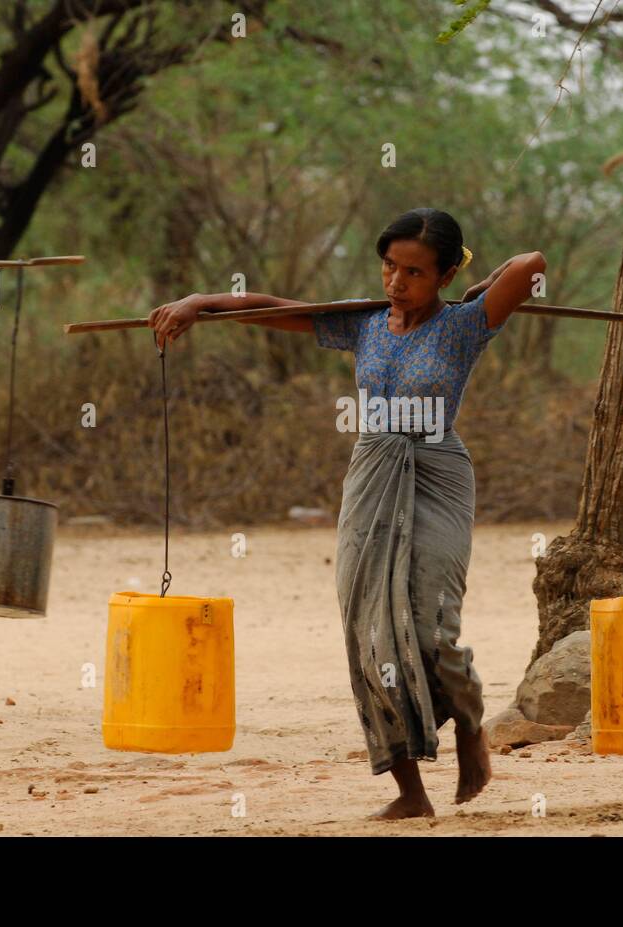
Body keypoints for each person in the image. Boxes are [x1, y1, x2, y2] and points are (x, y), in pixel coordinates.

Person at [149, 207, 546, 818]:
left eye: (415, 271)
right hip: (371, 477)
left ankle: (469, 723)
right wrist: (201, 302)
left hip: (437, 474)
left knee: (432, 626)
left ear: (442, 275)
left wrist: (481, 286)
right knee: (370, 633)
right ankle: (410, 794)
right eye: (389, 266)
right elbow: (281, 310)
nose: (396, 281)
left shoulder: (466, 325)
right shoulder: (362, 325)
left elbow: (531, 265)